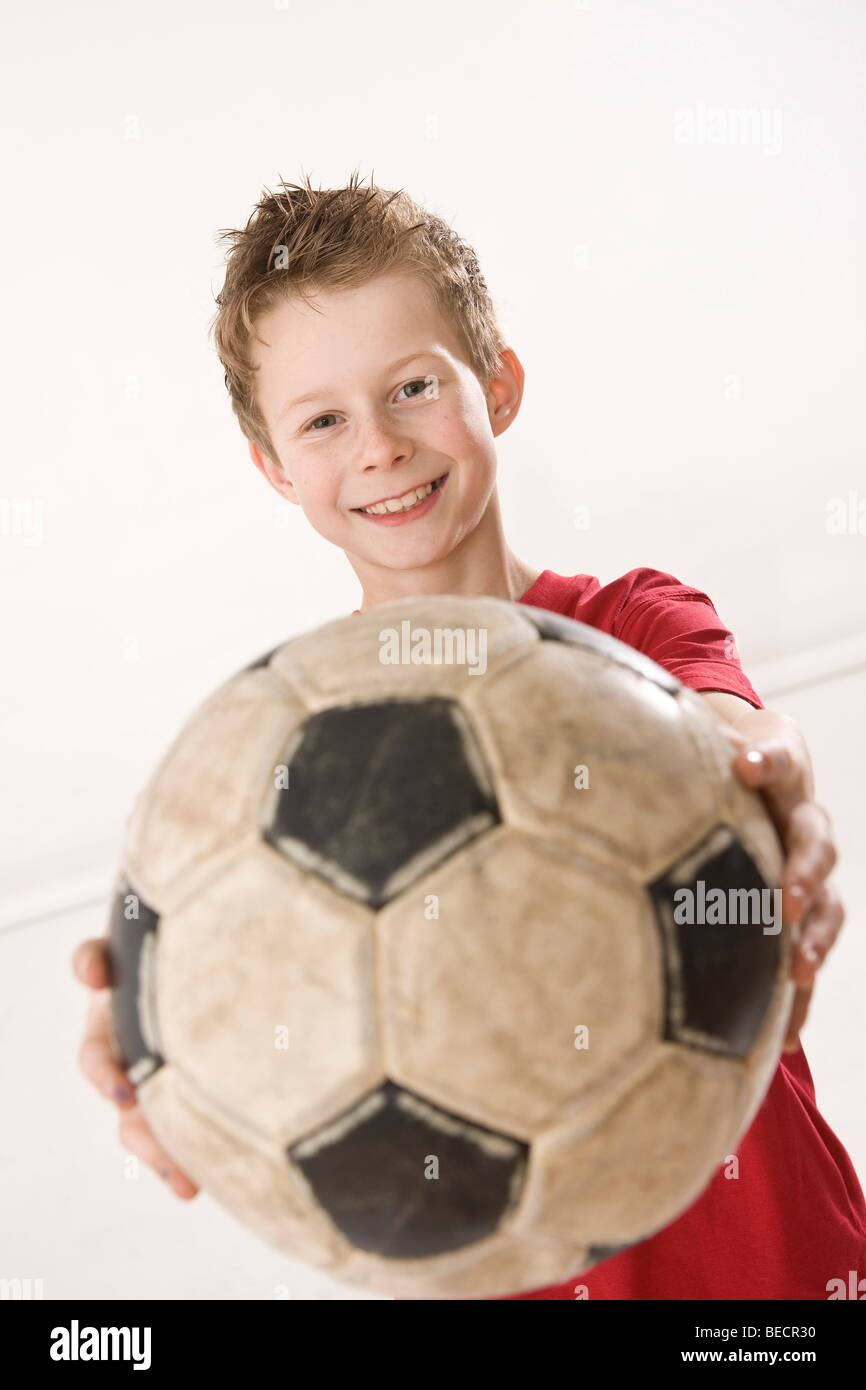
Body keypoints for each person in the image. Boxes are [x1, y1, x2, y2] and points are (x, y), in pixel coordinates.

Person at [73, 172, 865, 1300]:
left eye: (411, 386)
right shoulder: (279, 762)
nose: (380, 446)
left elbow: (734, 734)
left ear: (496, 385)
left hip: (771, 1276)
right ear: (273, 465)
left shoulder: (632, 626)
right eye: (323, 419)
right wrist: (164, 1038)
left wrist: (777, 786)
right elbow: (222, 957)